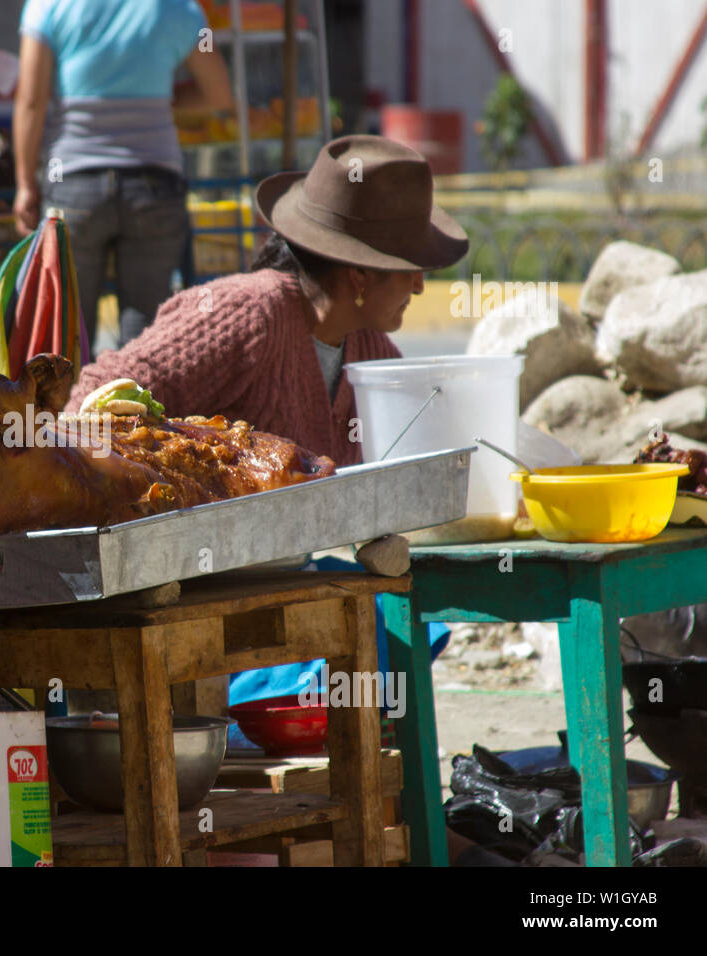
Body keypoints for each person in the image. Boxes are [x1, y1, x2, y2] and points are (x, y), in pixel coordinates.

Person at [66, 134, 468, 717]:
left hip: (268, 578)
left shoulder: (370, 348)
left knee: (403, 628)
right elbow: (95, 397)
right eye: (408, 271)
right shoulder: (246, 313)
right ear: (359, 275)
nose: (419, 286)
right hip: (182, 593)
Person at [12, 0, 234, 348]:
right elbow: (219, 95)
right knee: (144, 340)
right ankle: (139, 401)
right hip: (155, 185)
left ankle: (75, 401)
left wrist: (25, 184)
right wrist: (163, 106)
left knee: (68, 340)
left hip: (74, 183)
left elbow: (30, 101)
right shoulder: (182, 8)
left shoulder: (47, 5)